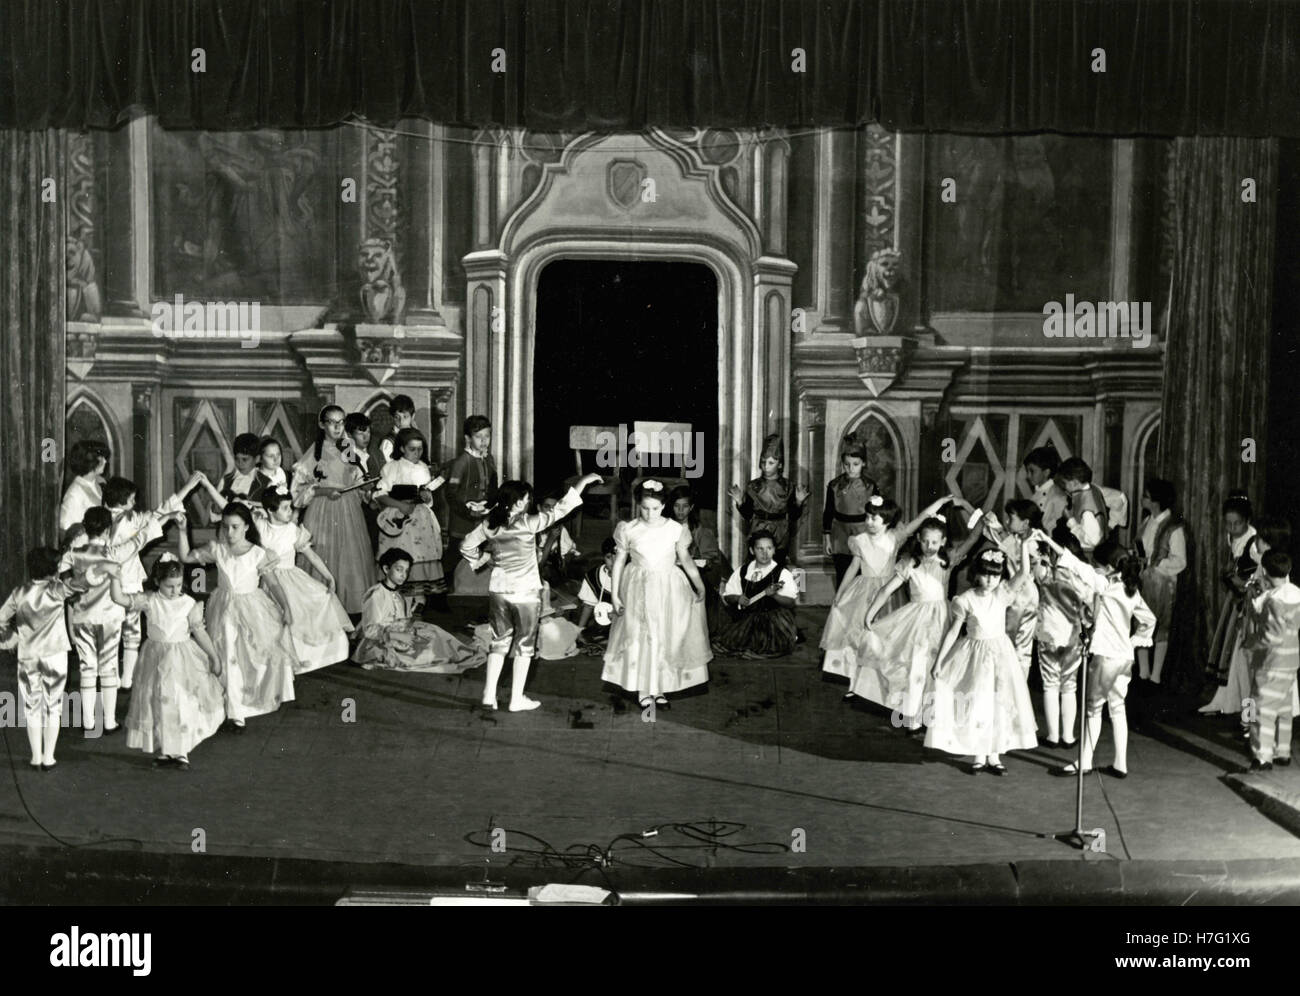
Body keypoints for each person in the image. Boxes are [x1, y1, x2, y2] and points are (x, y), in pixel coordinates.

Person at [461, 473, 603, 711]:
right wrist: (583, 482)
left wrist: (486, 559)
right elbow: (562, 509)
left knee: (499, 642)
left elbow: (466, 545)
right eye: (525, 499)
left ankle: (488, 695)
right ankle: (516, 699)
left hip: (498, 590)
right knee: (524, 644)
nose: (527, 503)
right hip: (525, 593)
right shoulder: (529, 523)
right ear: (517, 502)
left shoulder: (489, 525)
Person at [851, 509, 986, 729]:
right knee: (916, 664)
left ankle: (933, 715)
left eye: (935, 542)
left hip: (941, 619)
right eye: (925, 541)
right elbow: (886, 590)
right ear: (918, 540)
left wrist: (980, 517)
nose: (930, 547)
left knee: (938, 663)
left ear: (943, 541)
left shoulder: (947, 560)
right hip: (916, 619)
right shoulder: (909, 563)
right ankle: (912, 716)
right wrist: (871, 613)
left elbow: (972, 538)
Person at [1041, 533, 1157, 779]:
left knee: (1093, 709)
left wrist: (1049, 540)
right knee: (1117, 707)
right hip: (1125, 658)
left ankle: (1084, 761)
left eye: (1097, 564)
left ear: (1107, 567)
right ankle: (1120, 764)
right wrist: (1134, 641)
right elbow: (1149, 620)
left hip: (1105, 657)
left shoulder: (1105, 585)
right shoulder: (1130, 590)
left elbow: (1075, 564)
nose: (1093, 567)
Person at [177, 503, 297, 729]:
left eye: (235, 527)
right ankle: (233, 710)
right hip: (223, 606)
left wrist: (286, 608)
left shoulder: (258, 553)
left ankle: (247, 701)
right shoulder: (218, 549)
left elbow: (274, 584)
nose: (230, 533)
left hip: (252, 607)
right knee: (226, 654)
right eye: (226, 527)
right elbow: (185, 556)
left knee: (248, 655)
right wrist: (183, 531)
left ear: (246, 527)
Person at [61, 505, 179, 734]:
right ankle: (108, 722)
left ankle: (88, 722)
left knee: (87, 668)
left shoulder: (72, 555)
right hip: (109, 618)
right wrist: (169, 516)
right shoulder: (114, 553)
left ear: (86, 528)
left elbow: (61, 574)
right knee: (107, 666)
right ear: (108, 529)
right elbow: (142, 537)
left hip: (82, 618)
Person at [924, 544, 1038, 774]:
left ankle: (994, 755)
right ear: (976, 573)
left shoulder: (1003, 594)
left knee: (998, 703)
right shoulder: (965, 600)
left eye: (995, 575)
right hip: (974, 656)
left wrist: (1024, 545)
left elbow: (1024, 573)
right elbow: (954, 631)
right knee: (978, 703)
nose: (990, 580)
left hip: (1000, 656)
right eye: (985, 574)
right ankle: (979, 753)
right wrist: (939, 662)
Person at [602, 479, 713, 713]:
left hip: (668, 588)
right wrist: (615, 595)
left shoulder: (675, 529)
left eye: (654, 508)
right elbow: (620, 561)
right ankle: (643, 688)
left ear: (663, 506)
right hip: (637, 589)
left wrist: (698, 584)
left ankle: (659, 687)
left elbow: (685, 559)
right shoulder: (629, 528)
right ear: (637, 505)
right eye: (644, 508)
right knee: (640, 636)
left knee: (665, 635)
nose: (649, 513)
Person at [820, 493, 953, 689]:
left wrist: (940, 501)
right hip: (862, 590)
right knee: (857, 633)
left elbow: (921, 518)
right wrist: (840, 593)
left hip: (889, 593)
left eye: (874, 518)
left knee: (888, 637)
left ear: (887, 522)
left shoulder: (895, 537)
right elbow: (852, 568)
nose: (869, 522)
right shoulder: (859, 540)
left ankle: (880, 680)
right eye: (867, 517)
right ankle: (854, 678)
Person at [108, 556, 226, 770]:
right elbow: (119, 598)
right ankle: (167, 750)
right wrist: (114, 577)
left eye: (179, 585)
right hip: (154, 657)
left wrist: (214, 656)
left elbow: (200, 633)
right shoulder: (150, 600)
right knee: (157, 701)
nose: (175, 590)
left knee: (177, 702)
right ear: (157, 581)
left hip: (180, 658)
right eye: (169, 586)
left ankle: (180, 751)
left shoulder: (189, 603)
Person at [102, 472, 205, 690]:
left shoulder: (109, 517)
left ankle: (118, 680)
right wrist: (171, 511)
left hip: (108, 584)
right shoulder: (125, 520)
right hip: (126, 581)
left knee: (114, 635)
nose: (134, 502)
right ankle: (125, 680)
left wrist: (184, 492)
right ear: (122, 501)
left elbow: (155, 516)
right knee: (130, 634)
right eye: (131, 499)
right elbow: (151, 523)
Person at [0, 548, 87, 769]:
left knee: (32, 707)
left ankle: (35, 757)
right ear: (53, 570)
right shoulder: (58, 590)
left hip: (28, 656)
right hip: (55, 655)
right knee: (54, 706)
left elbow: (0, 619)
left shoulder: (19, 592)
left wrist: (11, 639)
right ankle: (49, 757)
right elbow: (85, 583)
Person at [256, 487, 353, 674]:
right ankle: (279, 659)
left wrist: (328, 576)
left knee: (305, 610)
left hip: (290, 578)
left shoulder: (293, 530)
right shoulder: (259, 526)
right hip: (267, 580)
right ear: (270, 510)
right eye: (284, 508)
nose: (290, 511)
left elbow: (312, 556)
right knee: (273, 619)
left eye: (290, 507)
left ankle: (307, 656)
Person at [289, 405, 376, 613]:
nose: (337, 427)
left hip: (348, 510)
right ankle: (321, 609)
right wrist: (324, 492)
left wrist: (365, 487)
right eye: (331, 422)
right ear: (322, 424)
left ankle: (347, 611)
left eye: (341, 422)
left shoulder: (348, 448)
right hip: (322, 509)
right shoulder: (315, 453)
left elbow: (357, 480)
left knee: (350, 555)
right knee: (322, 552)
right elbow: (297, 491)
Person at [354, 548, 486, 673]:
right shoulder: (375, 595)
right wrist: (399, 635)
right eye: (399, 570)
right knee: (431, 650)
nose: (403, 575)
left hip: (398, 633)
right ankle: (457, 655)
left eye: (406, 571)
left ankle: (462, 653)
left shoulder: (398, 594)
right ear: (386, 569)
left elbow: (402, 619)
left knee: (434, 632)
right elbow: (370, 630)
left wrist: (409, 628)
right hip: (379, 643)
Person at [1029, 531, 1090, 749]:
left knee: (1050, 685)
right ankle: (1069, 736)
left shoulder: (1043, 571)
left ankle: (1053, 735)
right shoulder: (1078, 576)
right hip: (1072, 634)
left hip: (1047, 633)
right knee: (1070, 686)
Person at [1201, 494, 1260, 715]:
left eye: (1237, 523)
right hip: (1234, 599)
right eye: (1228, 523)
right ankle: (1225, 701)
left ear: (1247, 521)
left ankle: (1245, 711)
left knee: (1240, 657)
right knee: (1231, 656)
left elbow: (1261, 575)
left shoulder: (1254, 543)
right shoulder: (1231, 537)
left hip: (1247, 603)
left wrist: (1242, 583)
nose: (1232, 528)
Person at [1243, 550, 1300, 770]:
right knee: (1284, 708)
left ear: (1264, 571)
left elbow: (1271, 636)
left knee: (1259, 709)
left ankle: (1262, 755)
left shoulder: (1275, 602)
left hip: (1271, 662)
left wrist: (1252, 643)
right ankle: (1282, 751)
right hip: (1291, 661)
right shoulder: (1295, 594)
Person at [712, 531, 800, 659]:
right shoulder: (743, 571)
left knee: (767, 644)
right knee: (729, 641)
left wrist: (775, 596)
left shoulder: (782, 573)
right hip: (746, 617)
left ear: (774, 550)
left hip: (773, 620)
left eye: (769, 548)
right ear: (752, 550)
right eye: (760, 548)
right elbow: (728, 596)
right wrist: (737, 598)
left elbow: (791, 602)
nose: (765, 553)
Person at [375, 427, 446, 584]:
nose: (417, 453)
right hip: (399, 517)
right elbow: (379, 494)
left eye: (420, 449)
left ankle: (417, 599)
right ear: (401, 448)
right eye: (412, 449)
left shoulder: (423, 468)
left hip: (421, 518)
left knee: (422, 552)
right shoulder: (393, 467)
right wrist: (400, 505)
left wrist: (427, 496)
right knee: (402, 553)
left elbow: (427, 495)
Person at [1136, 478, 1189, 686]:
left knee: (1160, 628)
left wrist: (1154, 563)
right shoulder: (1147, 521)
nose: (1142, 499)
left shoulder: (1174, 528)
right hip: (1144, 580)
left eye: (1146, 497)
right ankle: (1143, 672)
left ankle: (1156, 675)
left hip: (1163, 583)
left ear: (1156, 501)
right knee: (1141, 623)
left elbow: (1180, 561)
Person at [728, 433, 809, 562]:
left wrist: (799, 502)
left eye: (771, 462)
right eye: (763, 462)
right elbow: (748, 514)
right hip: (758, 529)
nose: (766, 466)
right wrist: (739, 502)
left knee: (777, 568)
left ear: (780, 465)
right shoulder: (753, 486)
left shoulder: (788, 486)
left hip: (780, 533)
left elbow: (794, 516)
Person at [987, 499, 1043, 678]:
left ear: (1025, 522)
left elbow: (1017, 554)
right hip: (1021, 593)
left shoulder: (1032, 542)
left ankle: (1016, 688)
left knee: (1015, 642)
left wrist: (999, 529)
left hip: (1021, 594)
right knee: (1018, 645)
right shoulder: (1018, 539)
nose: (1007, 522)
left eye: (1011, 519)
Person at [443, 415, 498, 590]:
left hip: (481, 520)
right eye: (478, 436)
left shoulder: (488, 459)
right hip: (462, 521)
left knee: (478, 560)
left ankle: (474, 594)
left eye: (487, 436)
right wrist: (468, 512)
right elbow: (450, 494)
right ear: (467, 438)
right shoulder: (462, 462)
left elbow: (492, 489)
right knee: (456, 559)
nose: (484, 441)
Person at [668, 484, 728, 631]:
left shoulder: (700, 531)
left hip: (693, 575)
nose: (680, 511)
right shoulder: (666, 528)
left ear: (692, 507)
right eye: (676, 506)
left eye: (685, 506)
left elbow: (711, 559)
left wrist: (695, 561)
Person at [822, 435, 877, 588]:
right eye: (847, 464)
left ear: (863, 463)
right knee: (842, 573)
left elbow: (877, 514)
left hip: (862, 533)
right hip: (840, 534)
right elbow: (828, 512)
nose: (851, 468)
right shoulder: (834, 485)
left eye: (855, 464)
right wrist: (827, 539)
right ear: (842, 464)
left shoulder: (870, 486)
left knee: (861, 574)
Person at [58, 439, 111, 541]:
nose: (105, 461)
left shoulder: (101, 483)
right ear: (89, 461)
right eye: (101, 458)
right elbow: (67, 531)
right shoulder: (75, 494)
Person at [576, 537, 617, 653]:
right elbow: (588, 606)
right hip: (603, 625)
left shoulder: (632, 576)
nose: (613, 562)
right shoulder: (594, 576)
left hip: (626, 623)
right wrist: (579, 630)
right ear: (604, 558)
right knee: (586, 635)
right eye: (609, 557)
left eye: (617, 557)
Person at [1023, 444, 1069, 536]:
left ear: (1046, 472)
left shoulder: (1058, 497)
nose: (1028, 476)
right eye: (1027, 471)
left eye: (1032, 471)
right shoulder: (1037, 493)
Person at [378, 394, 417, 465]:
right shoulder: (388, 442)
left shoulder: (416, 436)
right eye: (397, 417)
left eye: (405, 417)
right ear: (392, 417)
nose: (401, 421)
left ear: (413, 416)